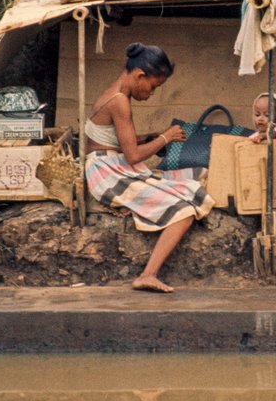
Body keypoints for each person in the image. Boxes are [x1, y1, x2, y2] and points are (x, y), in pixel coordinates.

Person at [83, 43, 215, 293]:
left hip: (109, 164)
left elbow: (118, 141)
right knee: (184, 211)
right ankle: (148, 274)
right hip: (107, 173)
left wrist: (150, 137)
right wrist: (164, 138)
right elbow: (132, 156)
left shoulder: (115, 94)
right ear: (140, 75)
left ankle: (149, 273)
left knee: (195, 177)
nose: (152, 93)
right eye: (153, 87)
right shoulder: (119, 101)